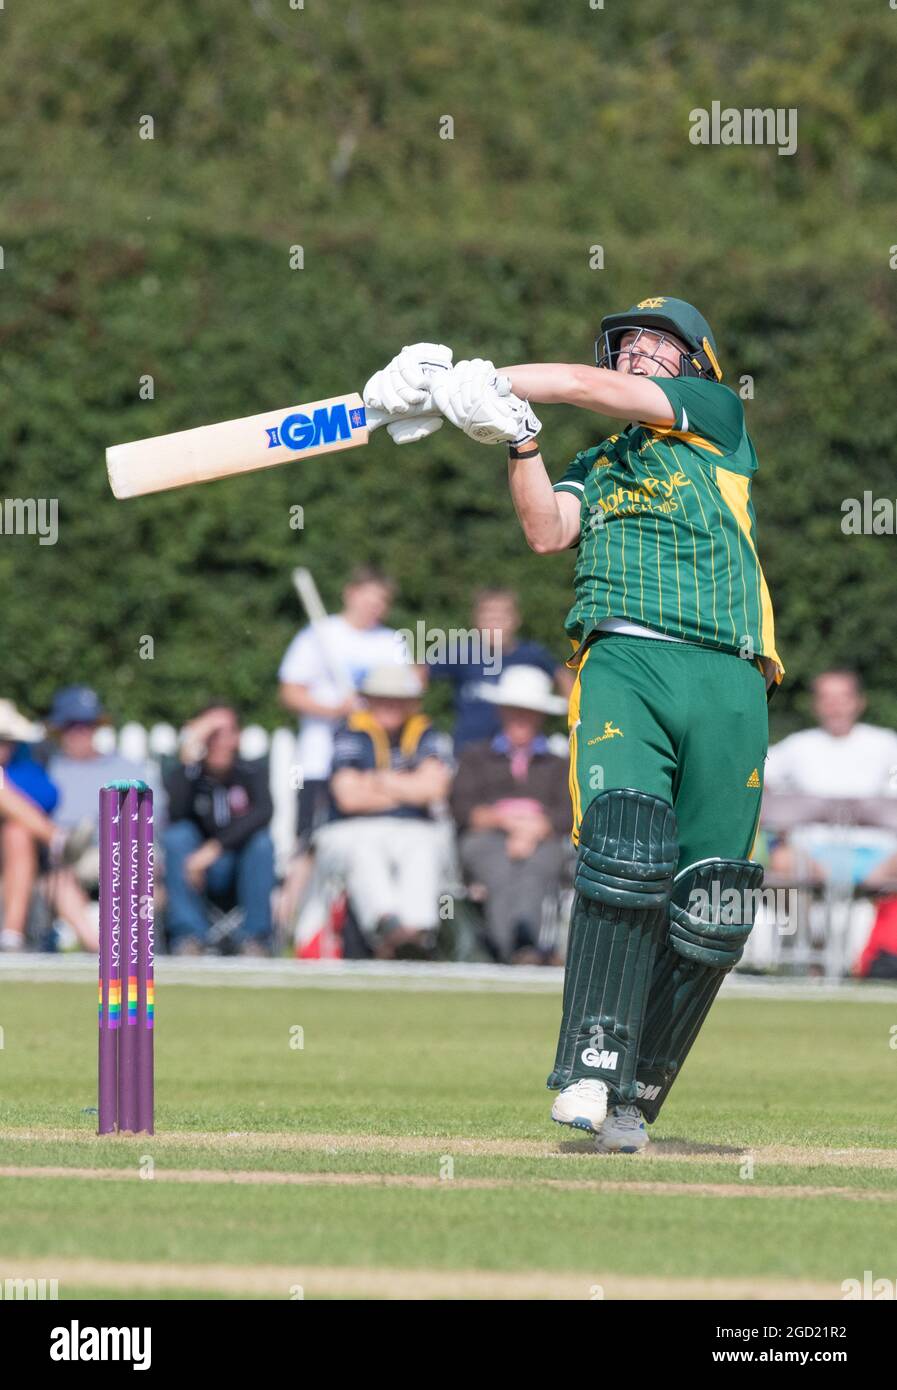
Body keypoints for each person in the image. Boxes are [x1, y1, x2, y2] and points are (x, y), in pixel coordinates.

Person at [365, 301, 783, 1151]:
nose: (636, 352)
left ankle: (638, 1087)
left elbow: (579, 385)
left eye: (655, 343)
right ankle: (592, 1063)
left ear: (695, 362)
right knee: (625, 847)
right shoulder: (595, 465)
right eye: (627, 343)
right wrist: (518, 436)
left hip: (729, 669)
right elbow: (545, 531)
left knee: (714, 904)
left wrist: (469, 381)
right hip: (624, 657)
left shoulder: (715, 420)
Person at [297, 665, 453, 958]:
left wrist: (377, 780)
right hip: (352, 828)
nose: (390, 705)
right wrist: (408, 788)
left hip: (413, 828)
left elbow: (435, 789)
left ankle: (416, 932)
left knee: (424, 846)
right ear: (369, 699)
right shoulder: (350, 732)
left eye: (397, 698)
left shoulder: (425, 733)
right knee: (363, 849)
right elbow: (349, 798)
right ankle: (388, 927)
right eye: (383, 698)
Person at [451, 667, 570, 963]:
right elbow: (462, 807)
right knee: (499, 866)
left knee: (536, 867)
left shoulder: (558, 763)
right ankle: (517, 946)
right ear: (502, 712)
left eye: (528, 712)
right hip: (485, 838)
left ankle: (519, 945)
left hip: (545, 839)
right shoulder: (475, 756)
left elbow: (570, 811)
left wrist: (536, 829)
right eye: (515, 711)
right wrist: (505, 823)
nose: (521, 718)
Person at [45, 685, 154, 950]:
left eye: (87, 724)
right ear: (61, 730)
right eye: (73, 726)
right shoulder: (51, 769)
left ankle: (121, 946)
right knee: (60, 882)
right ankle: (102, 948)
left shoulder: (127, 768)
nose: (81, 732)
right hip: (68, 858)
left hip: (119, 850)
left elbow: (150, 818)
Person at [164, 704, 276, 954]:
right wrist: (189, 756)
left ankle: (256, 938)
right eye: (212, 734)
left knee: (262, 843)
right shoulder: (188, 775)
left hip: (240, 866)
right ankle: (188, 936)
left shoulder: (251, 772)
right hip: (195, 869)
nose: (220, 742)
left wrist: (214, 849)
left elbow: (263, 812)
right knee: (176, 837)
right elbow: (175, 812)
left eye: (226, 733)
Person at [427, 588, 571, 750]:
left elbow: (564, 678)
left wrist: (576, 723)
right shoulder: (461, 652)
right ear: (475, 620)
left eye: (502, 616)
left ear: (517, 619)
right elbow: (417, 675)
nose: (495, 621)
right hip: (468, 751)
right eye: (488, 615)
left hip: (520, 753)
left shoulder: (531, 654)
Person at [0, 700, 59, 949]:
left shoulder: (23, 767)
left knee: (17, 833)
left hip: (16, 854)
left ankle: (11, 935)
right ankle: (58, 838)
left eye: (6, 740)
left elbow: (48, 797)